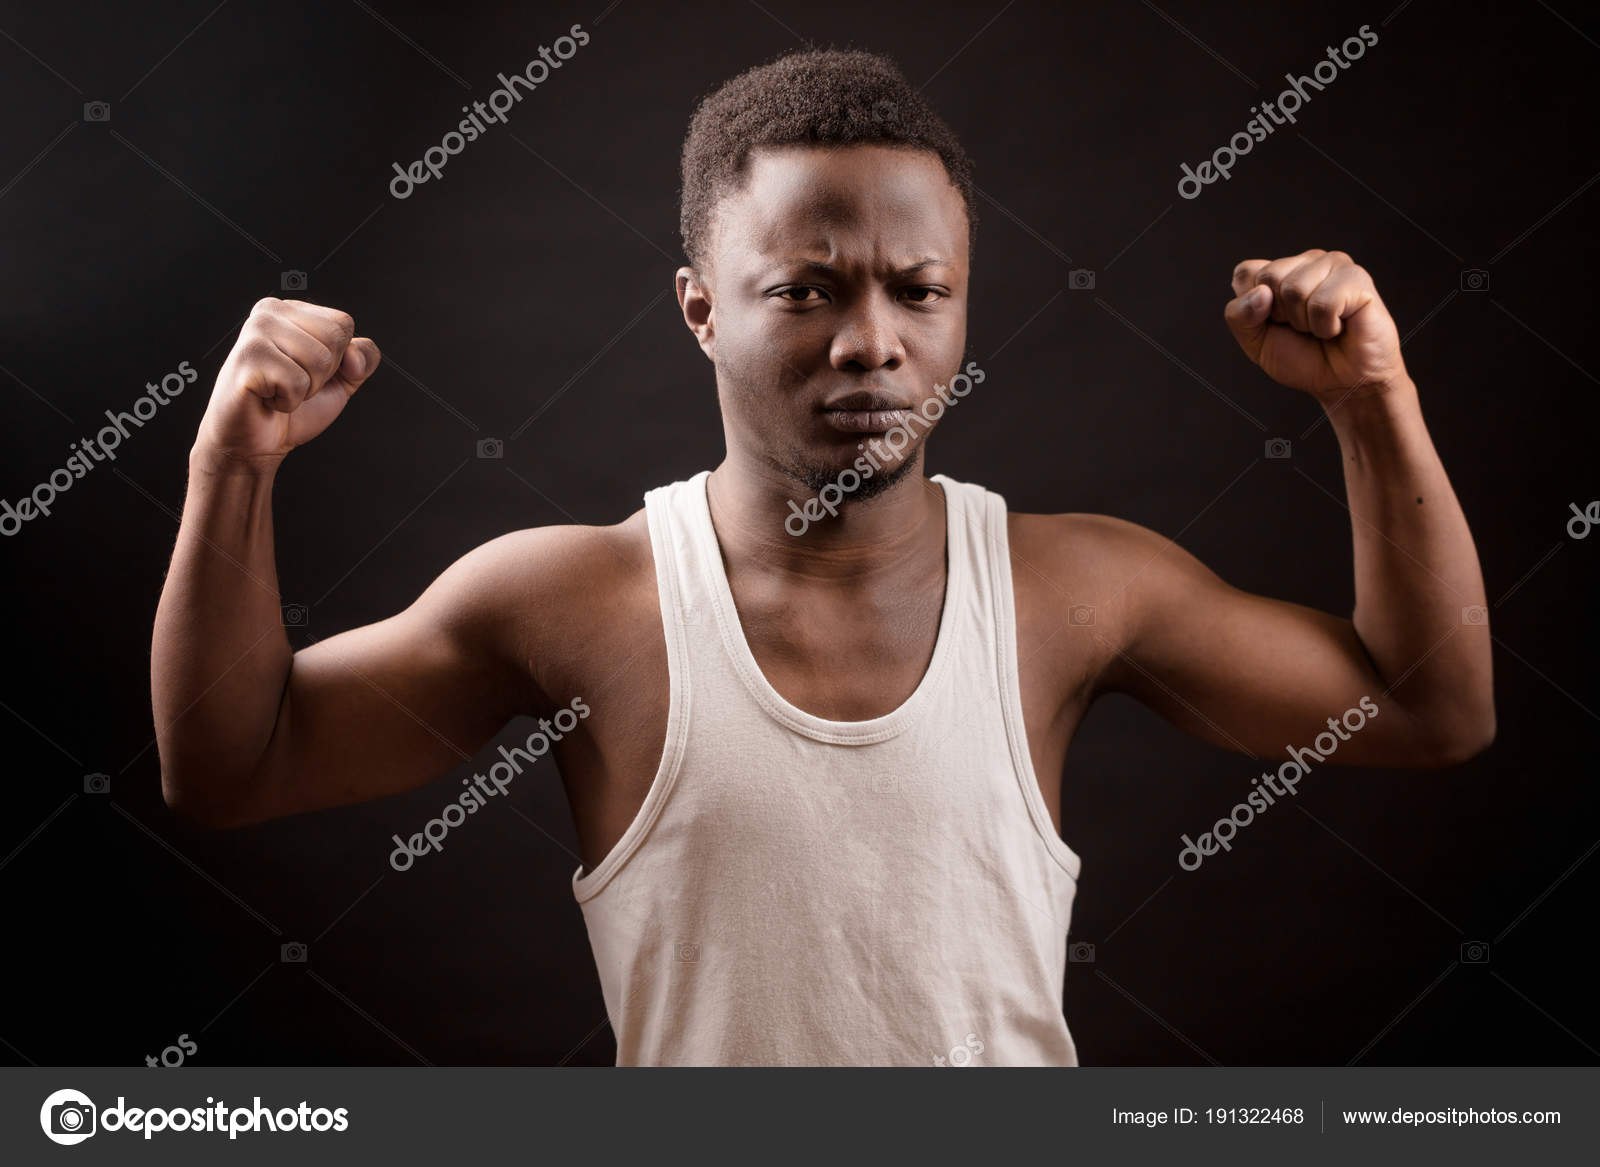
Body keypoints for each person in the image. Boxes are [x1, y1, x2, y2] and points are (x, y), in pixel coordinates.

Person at [151, 49, 1495, 1066]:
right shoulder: (579, 601)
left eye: (919, 290)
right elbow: (233, 762)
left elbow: (1430, 707)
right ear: (699, 311)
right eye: (805, 289)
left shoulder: (1075, 590)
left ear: (962, 304)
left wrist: (1371, 404)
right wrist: (232, 468)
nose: (871, 343)